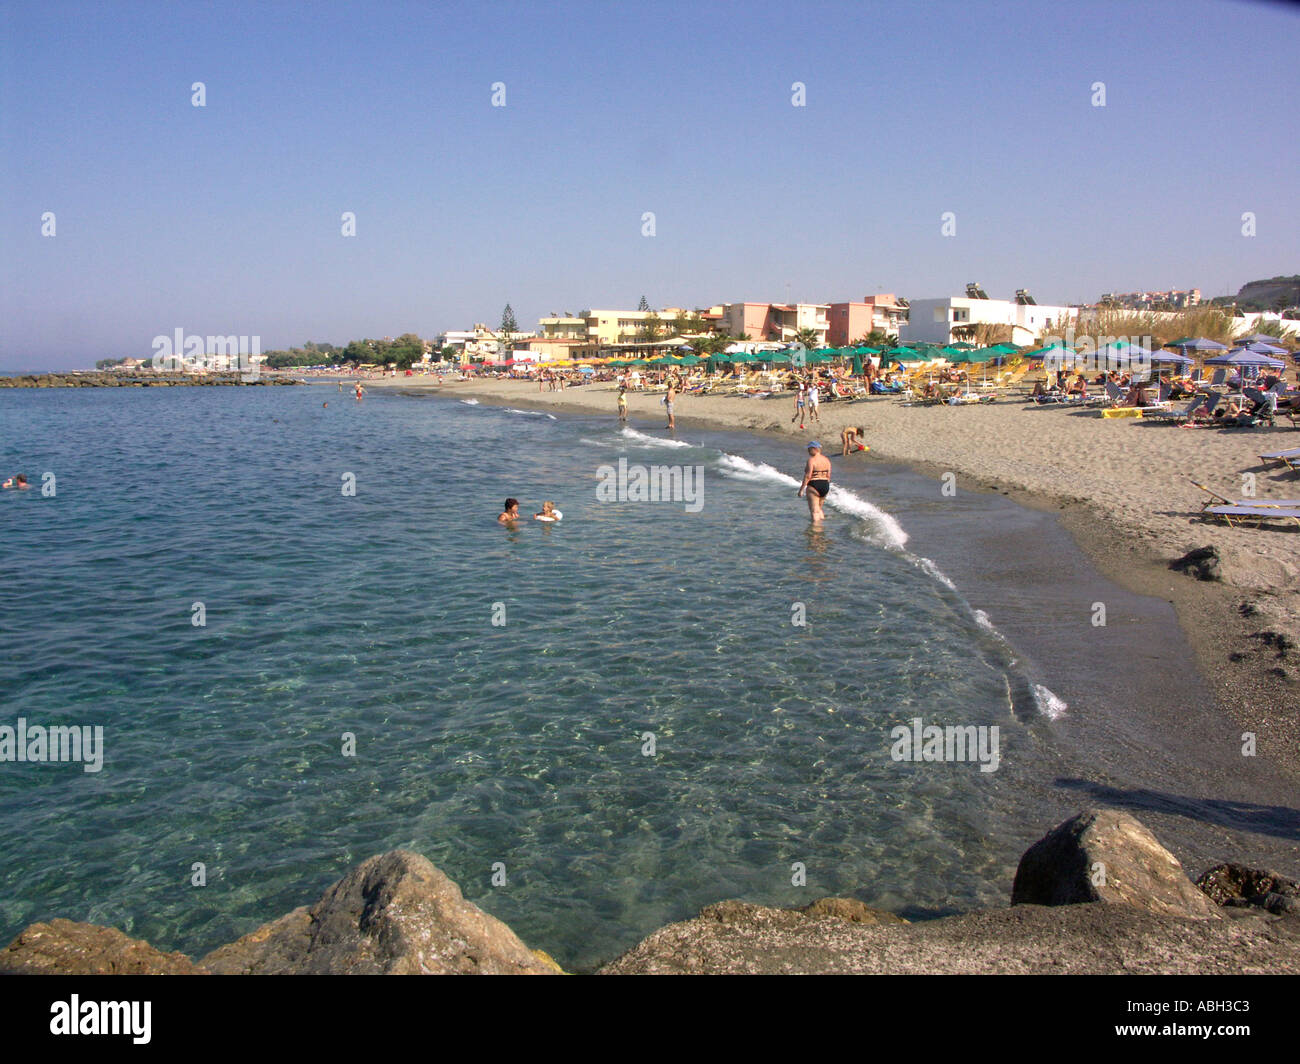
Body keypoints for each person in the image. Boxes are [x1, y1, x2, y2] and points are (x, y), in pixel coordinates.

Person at [797, 441, 832, 524]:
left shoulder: (811, 460)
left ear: (815, 449)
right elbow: (828, 475)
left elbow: (808, 476)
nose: (808, 451)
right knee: (819, 509)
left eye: (809, 449)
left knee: (814, 511)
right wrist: (825, 486)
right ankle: (821, 528)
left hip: (814, 484)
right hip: (825, 484)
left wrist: (801, 490)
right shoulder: (827, 460)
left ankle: (815, 533)